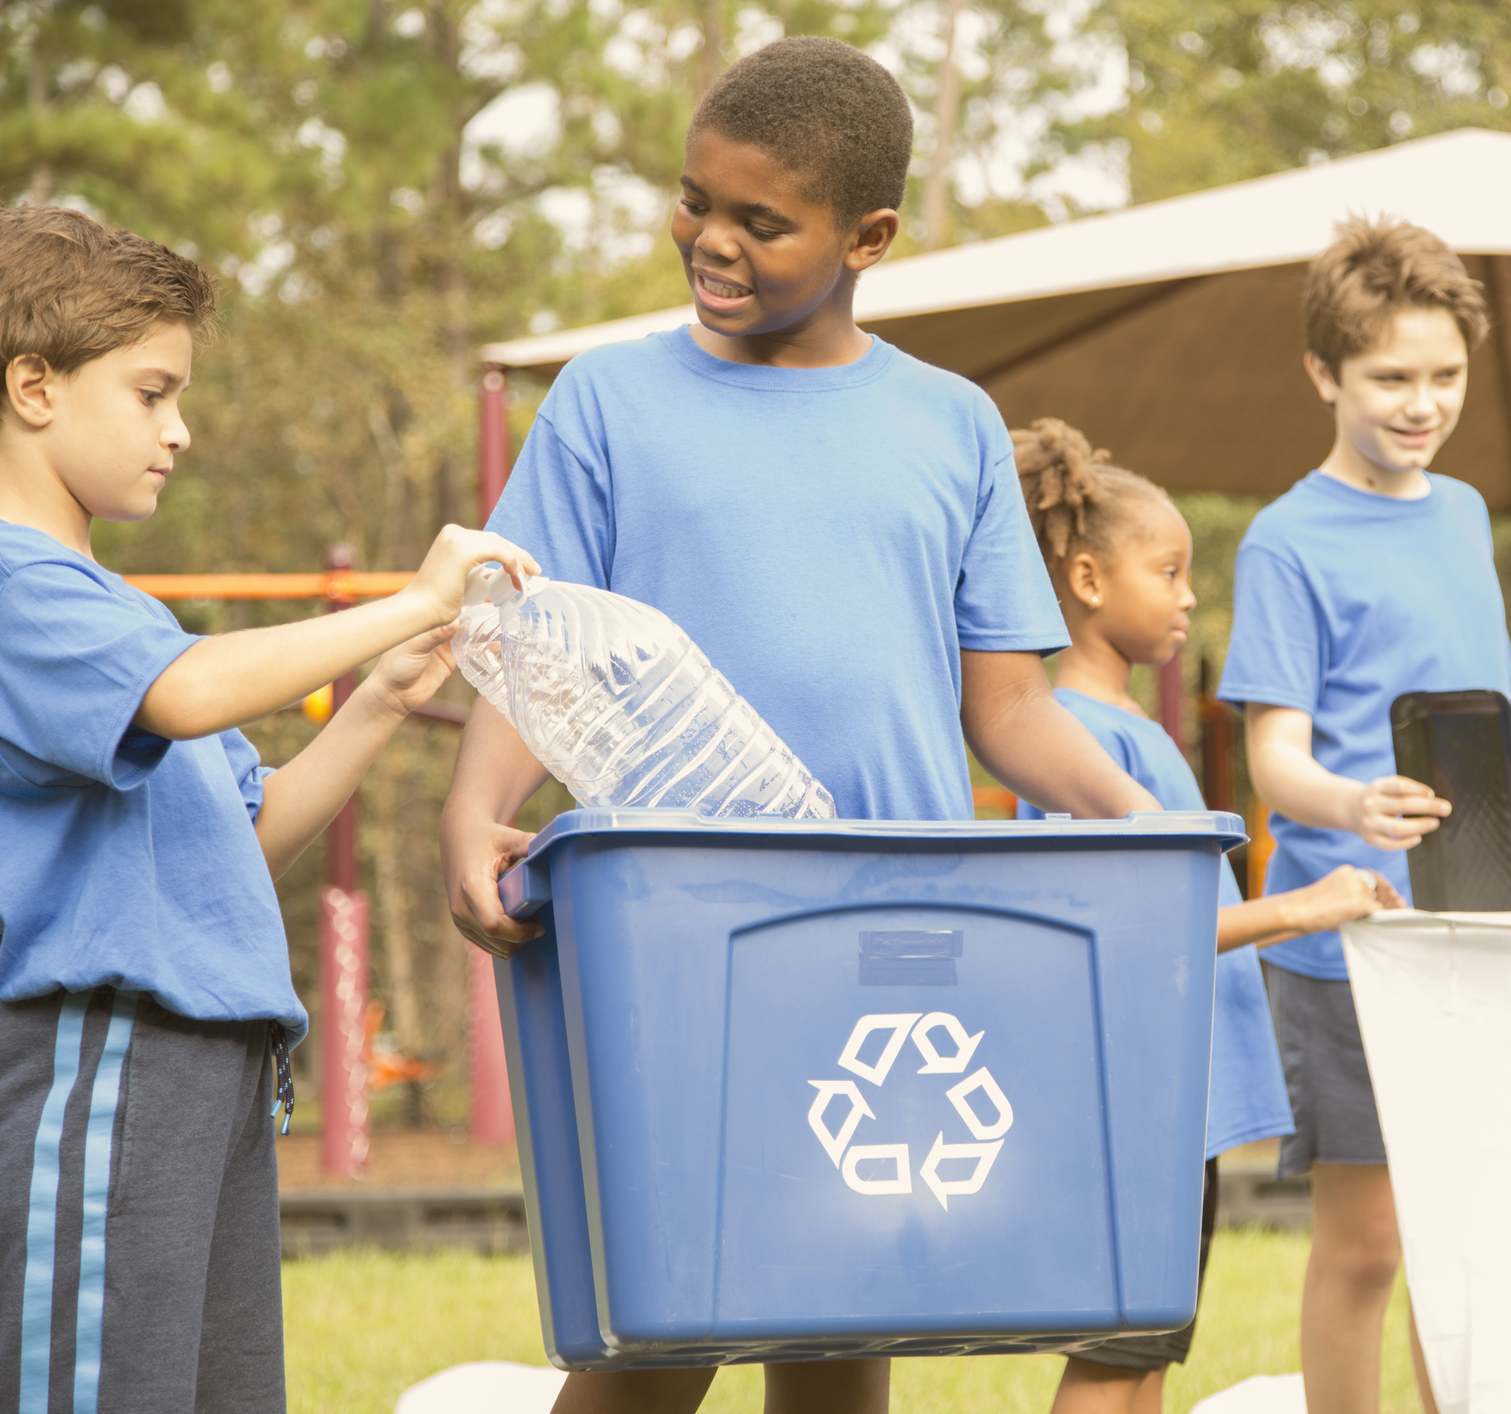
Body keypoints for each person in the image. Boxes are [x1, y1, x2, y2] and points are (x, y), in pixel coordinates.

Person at [437, 39, 1160, 1414]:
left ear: (868, 236)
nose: (709, 239)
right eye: (694, 199)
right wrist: (475, 810)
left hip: (884, 920)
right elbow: (534, 652)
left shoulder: (950, 425)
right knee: (659, 1327)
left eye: (759, 221)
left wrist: (1132, 816)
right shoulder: (609, 400)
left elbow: (1006, 705)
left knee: (841, 1309)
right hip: (677, 914)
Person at [0, 188, 535, 1412]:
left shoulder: (120, 614)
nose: (180, 429)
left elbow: (246, 827)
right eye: (152, 392)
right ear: (34, 388)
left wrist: (377, 696)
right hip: (106, 1057)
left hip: (208, 1073)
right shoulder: (2, 588)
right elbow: (192, 695)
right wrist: (414, 599)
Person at [1217, 216, 1511, 1414]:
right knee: (1367, 1246)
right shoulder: (1286, 540)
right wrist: (1352, 800)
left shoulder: (1463, 515)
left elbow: (1488, 730)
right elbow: (1274, 757)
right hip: (1348, 941)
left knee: (1464, 1246)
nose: (1423, 404)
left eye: (1446, 375)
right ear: (1324, 374)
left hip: (1480, 930)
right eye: (1391, 378)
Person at [1007, 418, 1400, 1414]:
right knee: (1114, 1353)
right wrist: (1301, 907)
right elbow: (1122, 928)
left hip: (1183, 1107)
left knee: (1149, 1353)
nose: (1188, 596)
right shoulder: (1073, 744)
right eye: (1168, 570)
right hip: (1130, 1104)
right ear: (1090, 581)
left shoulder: (1130, 733)